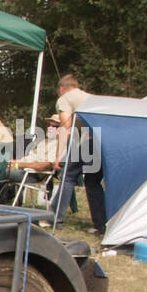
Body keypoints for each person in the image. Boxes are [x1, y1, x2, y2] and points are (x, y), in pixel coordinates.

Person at [47, 74, 106, 232]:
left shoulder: (64, 99)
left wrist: (58, 157)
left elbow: (65, 127)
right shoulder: (91, 98)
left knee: (68, 176)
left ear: (61, 89)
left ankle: (54, 218)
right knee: (93, 182)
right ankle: (101, 225)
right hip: (105, 141)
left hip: (91, 140)